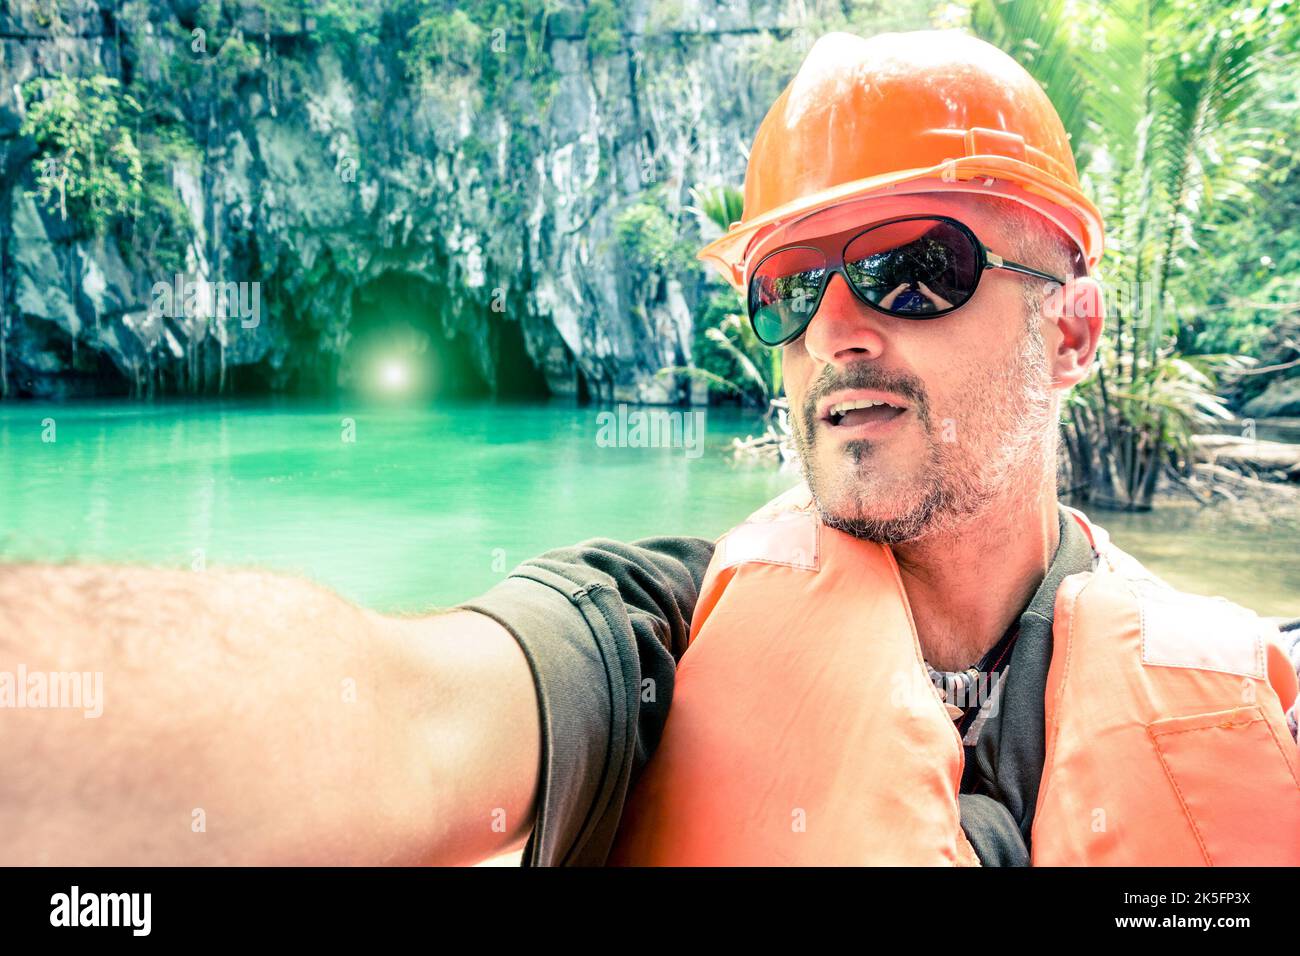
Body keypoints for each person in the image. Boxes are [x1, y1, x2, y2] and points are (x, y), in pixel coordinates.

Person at [2, 30, 1297, 867]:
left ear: (1072, 333)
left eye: (915, 270)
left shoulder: (1235, 685)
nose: (835, 327)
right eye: (789, 290)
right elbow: (398, 714)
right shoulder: (657, 638)